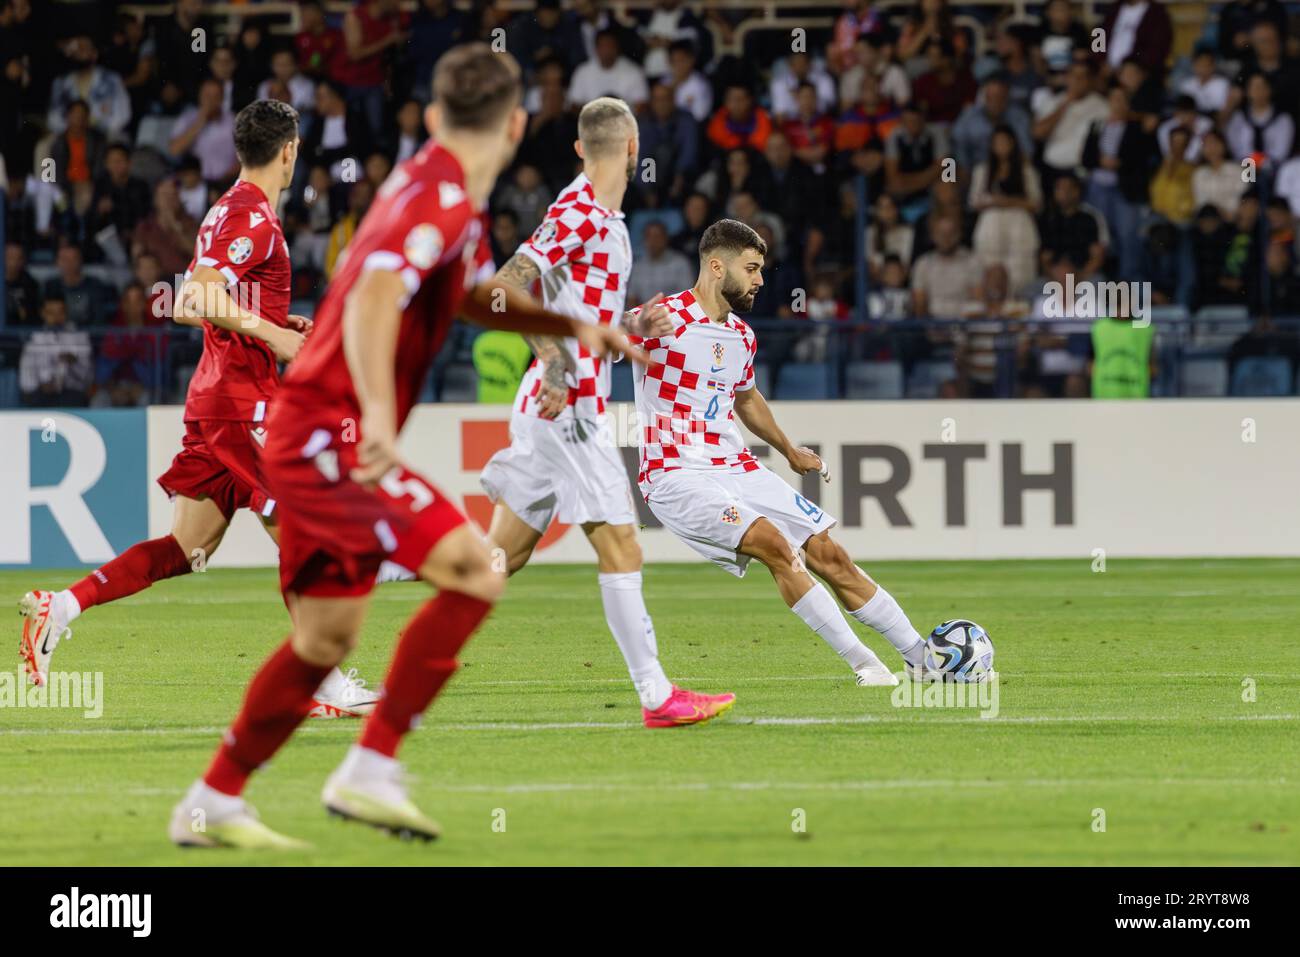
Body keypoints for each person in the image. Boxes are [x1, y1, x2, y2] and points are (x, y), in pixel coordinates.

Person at [167, 47, 640, 849]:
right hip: (327, 436)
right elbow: (381, 293)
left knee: (324, 639)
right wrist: (380, 418)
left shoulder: (430, 187)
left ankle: (211, 801)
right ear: (519, 124)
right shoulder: (445, 200)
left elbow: (471, 294)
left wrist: (568, 326)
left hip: (307, 433)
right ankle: (371, 768)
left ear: (429, 119)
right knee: (472, 568)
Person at [19, 100, 372, 720]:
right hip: (241, 404)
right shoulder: (255, 218)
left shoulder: (225, 209)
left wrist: (272, 321)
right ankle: (320, 677)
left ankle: (61, 607)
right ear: (288, 150)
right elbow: (190, 301)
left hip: (217, 400)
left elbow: (222, 296)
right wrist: (276, 337)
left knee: (187, 548)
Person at [483, 97, 736, 728]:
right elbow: (500, 290)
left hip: (557, 406)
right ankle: (657, 697)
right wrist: (554, 361)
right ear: (633, 147)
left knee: (497, 560)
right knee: (622, 543)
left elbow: (576, 317)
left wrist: (626, 326)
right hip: (569, 407)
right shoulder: (583, 213)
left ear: (579, 148)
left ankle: (357, 563)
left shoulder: (605, 221)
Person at [630, 219, 929, 687]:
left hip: (735, 467)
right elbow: (591, 341)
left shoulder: (742, 337)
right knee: (775, 544)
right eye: (751, 269)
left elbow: (745, 398)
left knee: (830, 554)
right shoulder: (662, 318)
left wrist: (789, 450)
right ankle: (865, 663)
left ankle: (921, 659)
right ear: (715, 266)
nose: (760, 281)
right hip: (675, 473)